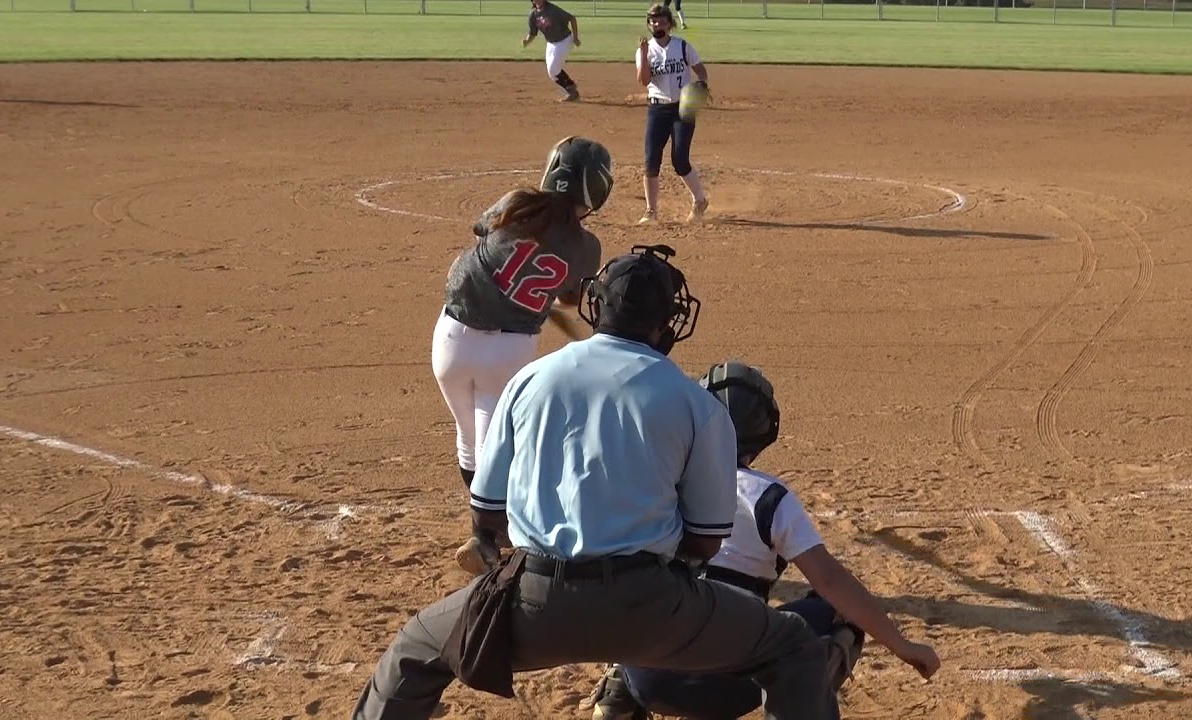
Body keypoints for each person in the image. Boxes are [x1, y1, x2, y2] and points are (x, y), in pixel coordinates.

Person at [351, 245, 840, 720]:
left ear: (596, 304)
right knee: (793, 645)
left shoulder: (529, 380)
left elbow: (486, 510)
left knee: (413, 653)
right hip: (653, 609)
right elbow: (706, 540)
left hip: (536, 600)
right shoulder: (698, 406)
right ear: (668, 322)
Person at [583, 361, 943, 720]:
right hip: (730, 689)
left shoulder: (661, 483)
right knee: (836, 610)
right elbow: (831, 582)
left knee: (641, 579)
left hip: (649, 680)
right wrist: (903, 646)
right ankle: (799, 707)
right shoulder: (769, 497)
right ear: (764, 432)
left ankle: (619, 690)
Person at [431, 135, 608, 572]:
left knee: (469, 438)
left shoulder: (516, 204)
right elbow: (569, 299)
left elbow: (484, 235)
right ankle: (488, 536)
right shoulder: (587, 248)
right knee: (496, 445)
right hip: (509, 351)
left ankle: (486, 534)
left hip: (452, 339)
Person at [635, 4, 709, 225]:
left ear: (670, 23)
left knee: (680, 159)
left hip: (682, 109)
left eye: (661, 20)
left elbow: (701, 70)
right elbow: (644, 81)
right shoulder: (644, 49)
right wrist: (645, 55)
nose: (657, 24)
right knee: (651, 160)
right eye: (653, 21)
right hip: (657, 108)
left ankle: (699, 201)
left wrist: (701, 85)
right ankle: (651, 211)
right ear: (649, 24)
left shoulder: (683, 46)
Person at [523, 0, 582, 102]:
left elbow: (572, 19)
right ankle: (571, 87)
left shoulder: (552, 10)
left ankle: (572, 91)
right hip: (551, 43)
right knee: (552, 73)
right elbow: (533, 33)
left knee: (554, 68)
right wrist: (527, 41)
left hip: (564, 40)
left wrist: (575, 38)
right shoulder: (534, 15)